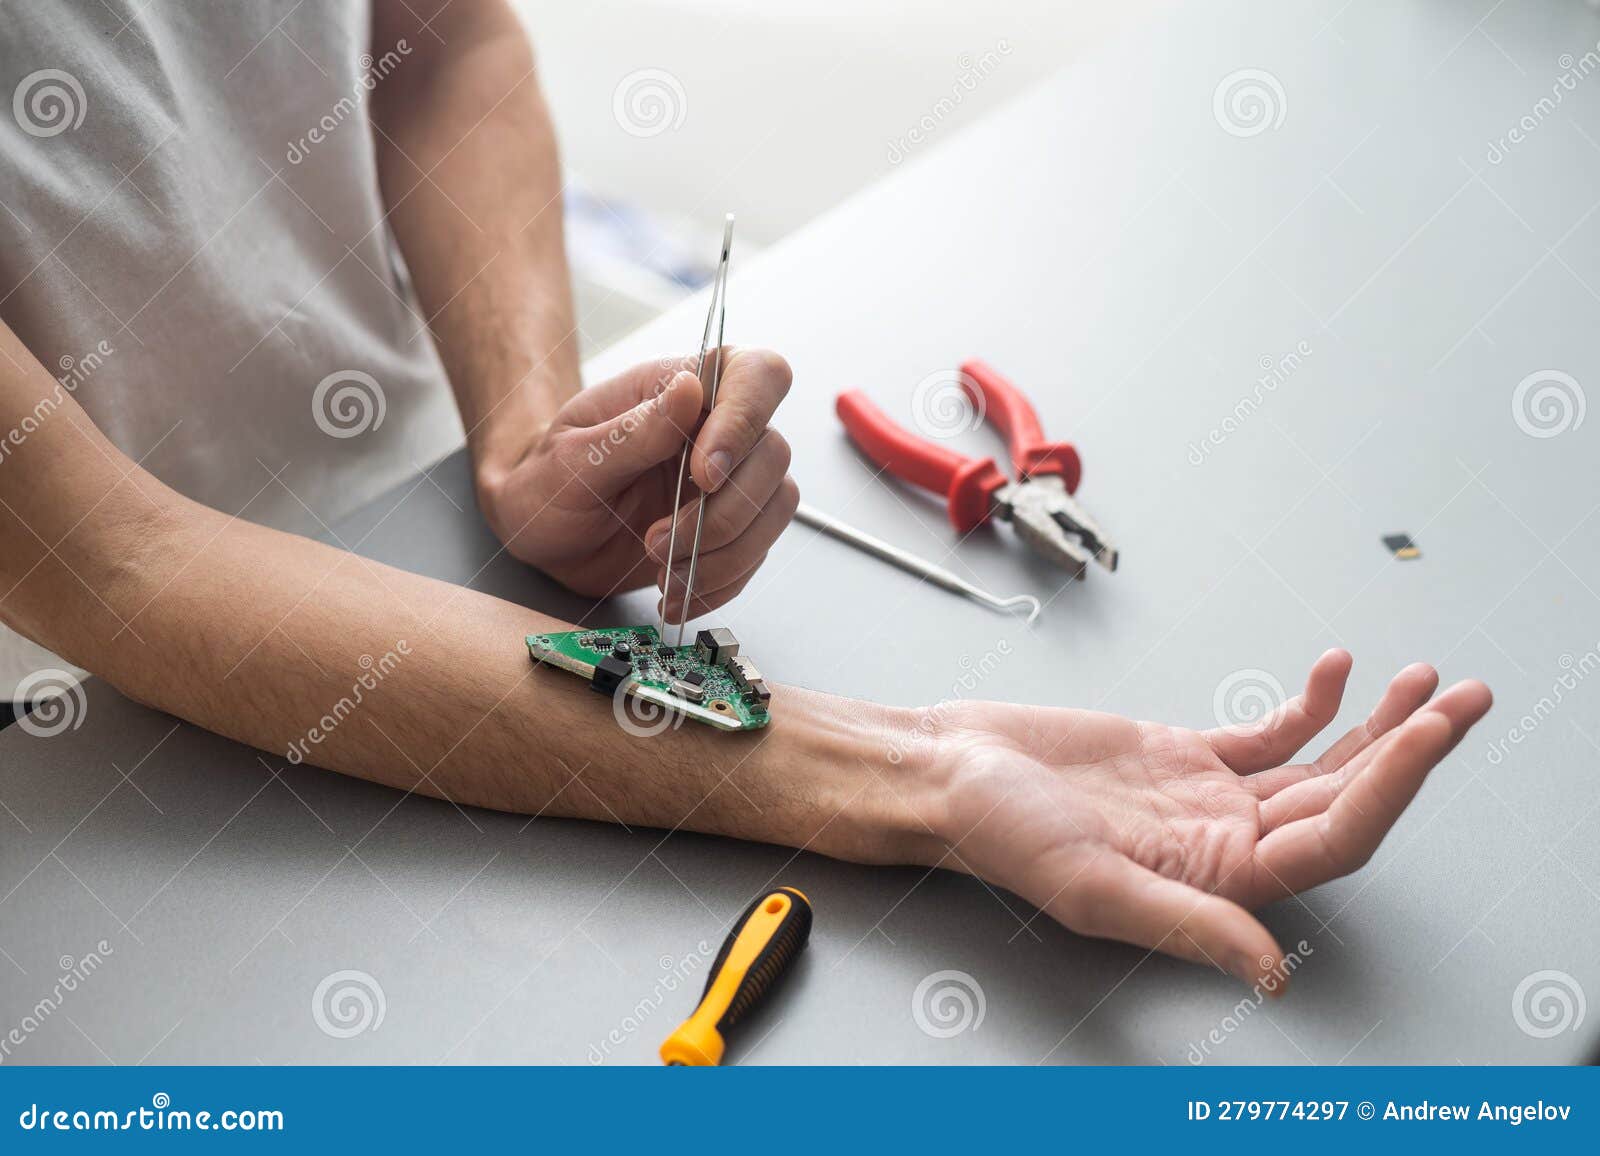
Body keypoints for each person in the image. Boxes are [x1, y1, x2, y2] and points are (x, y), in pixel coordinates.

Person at [0, 1, 1490, 988]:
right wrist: (917, 773)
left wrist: (521, 440)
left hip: (417, 502)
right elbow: (115, 565)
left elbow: (439, 44)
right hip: (65, 729)